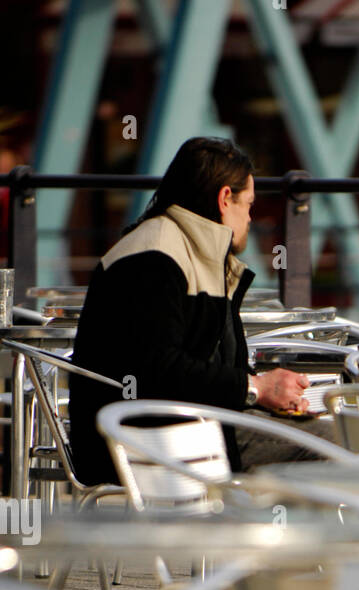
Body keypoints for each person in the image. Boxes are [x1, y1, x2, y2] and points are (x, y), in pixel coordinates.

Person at [69, 136, 333, 486]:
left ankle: (271, 535)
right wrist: (254, 387)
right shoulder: (155, 259)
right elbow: (158, 370)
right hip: (150, 445)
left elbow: (199, 364)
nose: (251, 218)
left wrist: (265, 392)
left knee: (331, 436)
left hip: (187, 429)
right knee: (335, 442)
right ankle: (286, 538)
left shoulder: (188, 251)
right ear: (225, 199)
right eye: (248, 206)